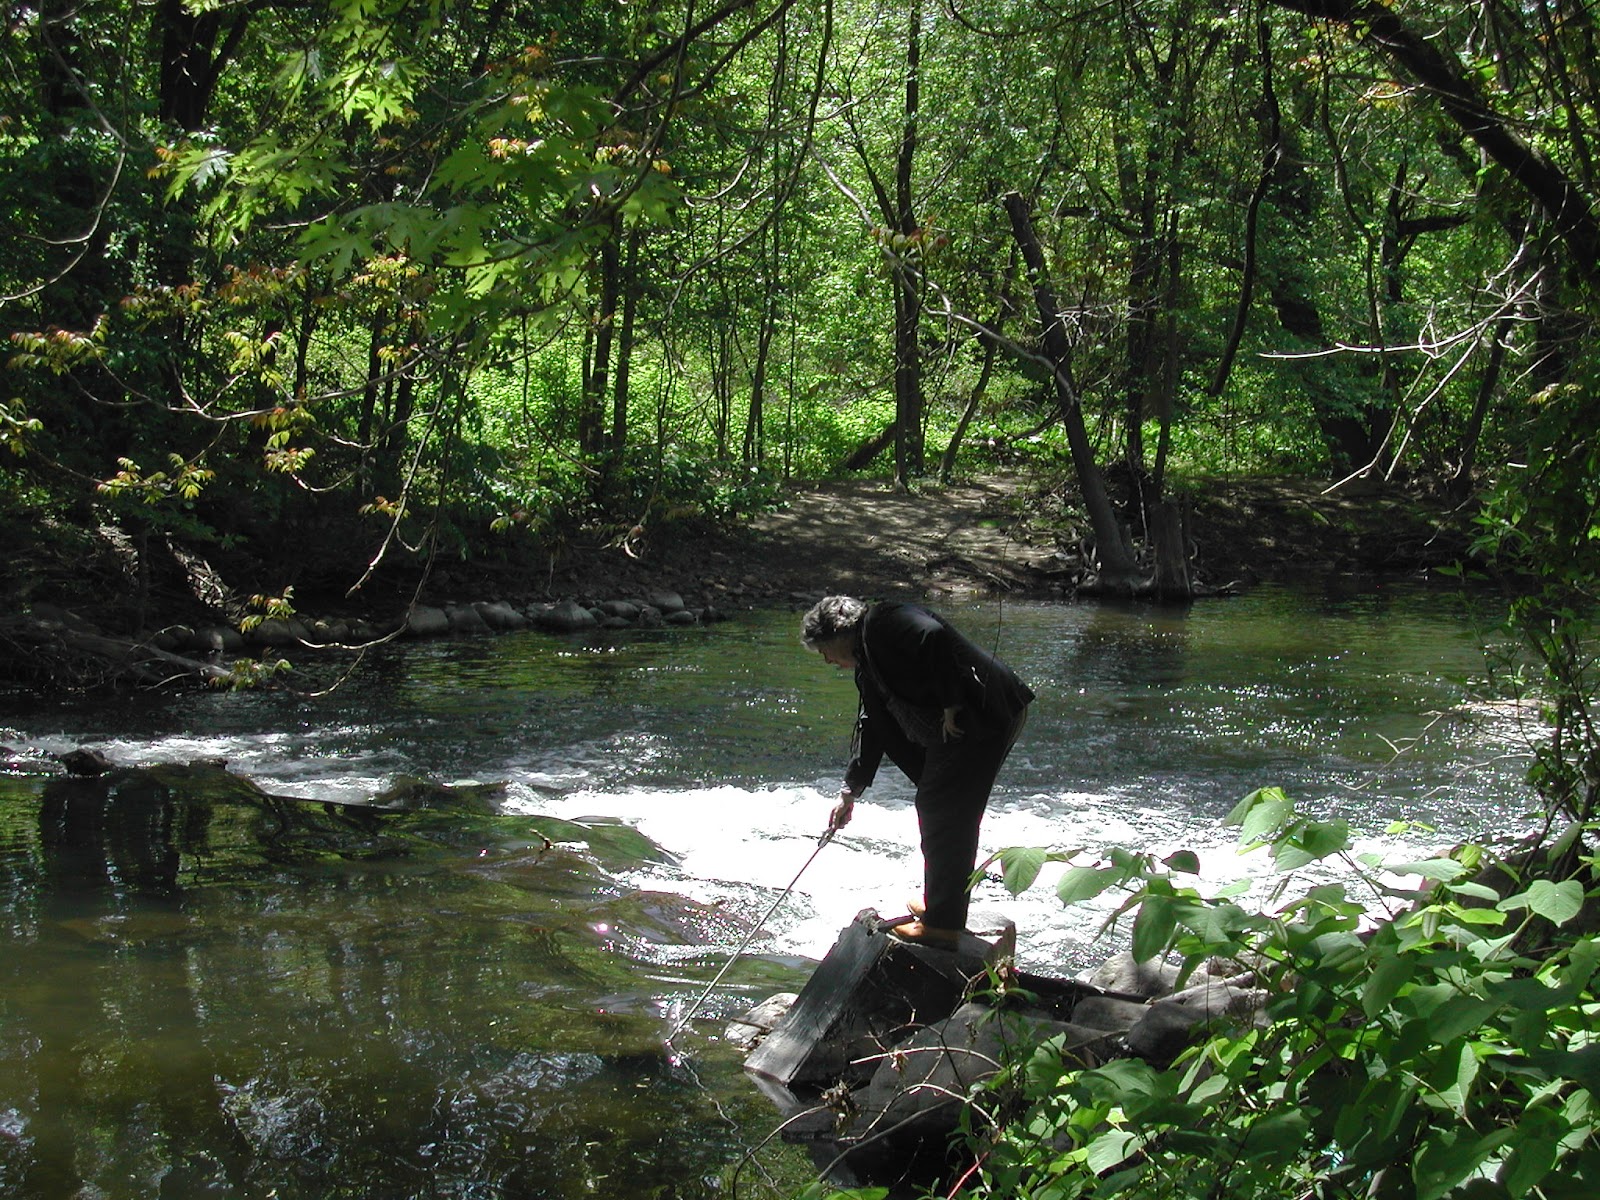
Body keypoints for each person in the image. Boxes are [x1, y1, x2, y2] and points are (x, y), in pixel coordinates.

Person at [801, 595, 1033, 947]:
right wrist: (851, 791)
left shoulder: (884, 620)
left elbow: (933, 636)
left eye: (824, 652)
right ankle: (941, 906)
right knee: (944, 808)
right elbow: (873, 725)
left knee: (943, 810)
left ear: (836, 634)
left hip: (980, 713)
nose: (828, 660)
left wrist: (951, 702)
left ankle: (942, 925)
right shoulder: (868, 659)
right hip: (973, 721)